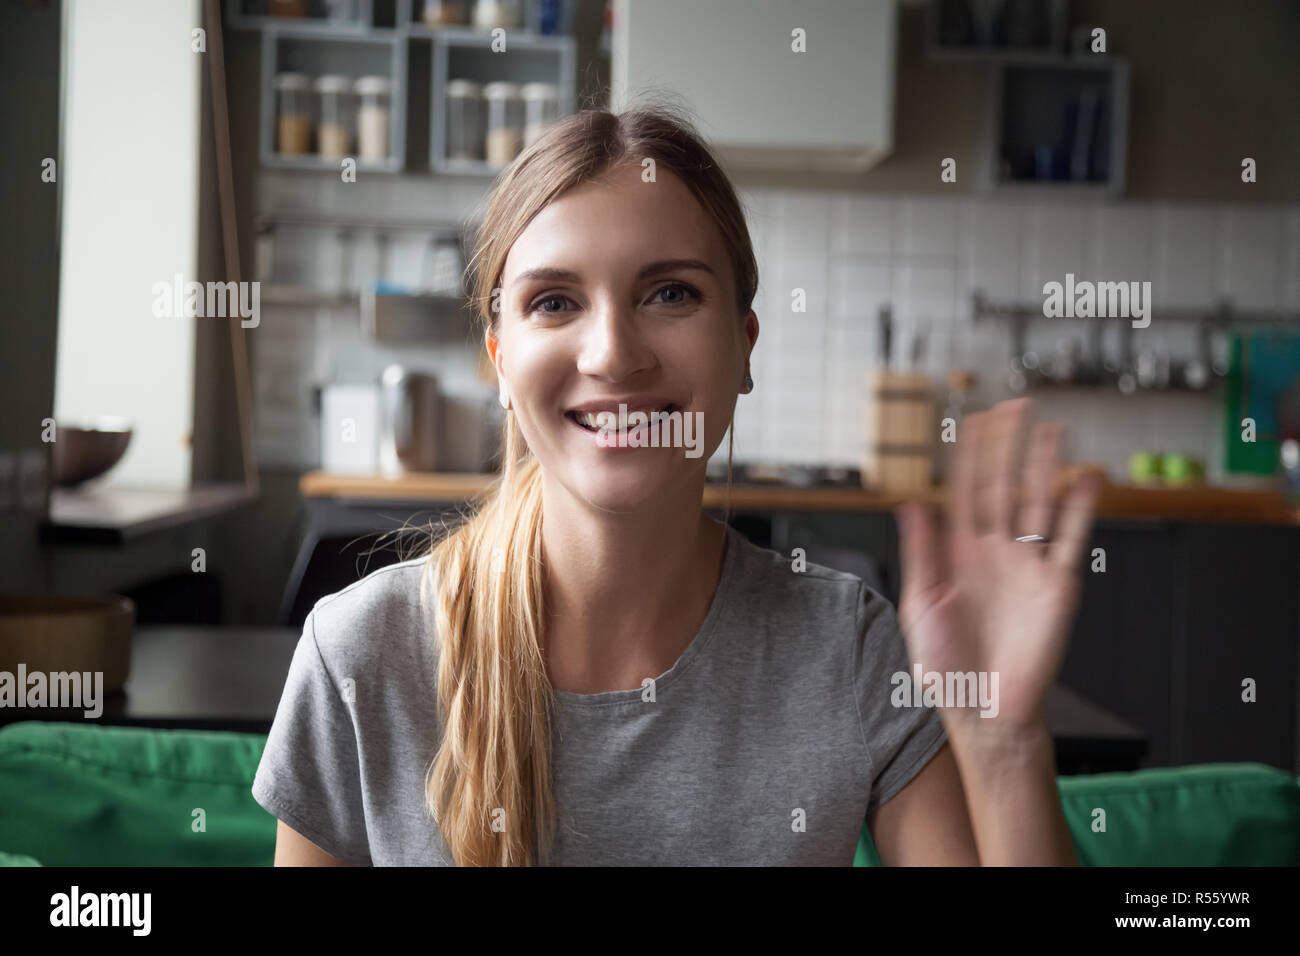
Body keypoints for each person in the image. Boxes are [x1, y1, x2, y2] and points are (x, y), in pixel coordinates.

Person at [252, 104, 1101, 866]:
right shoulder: (361, 655)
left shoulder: (847, 650)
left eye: (670, 293)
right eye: (554, 302)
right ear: (500, 362)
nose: (615, 354)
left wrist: (1003, 747)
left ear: (745, 347)